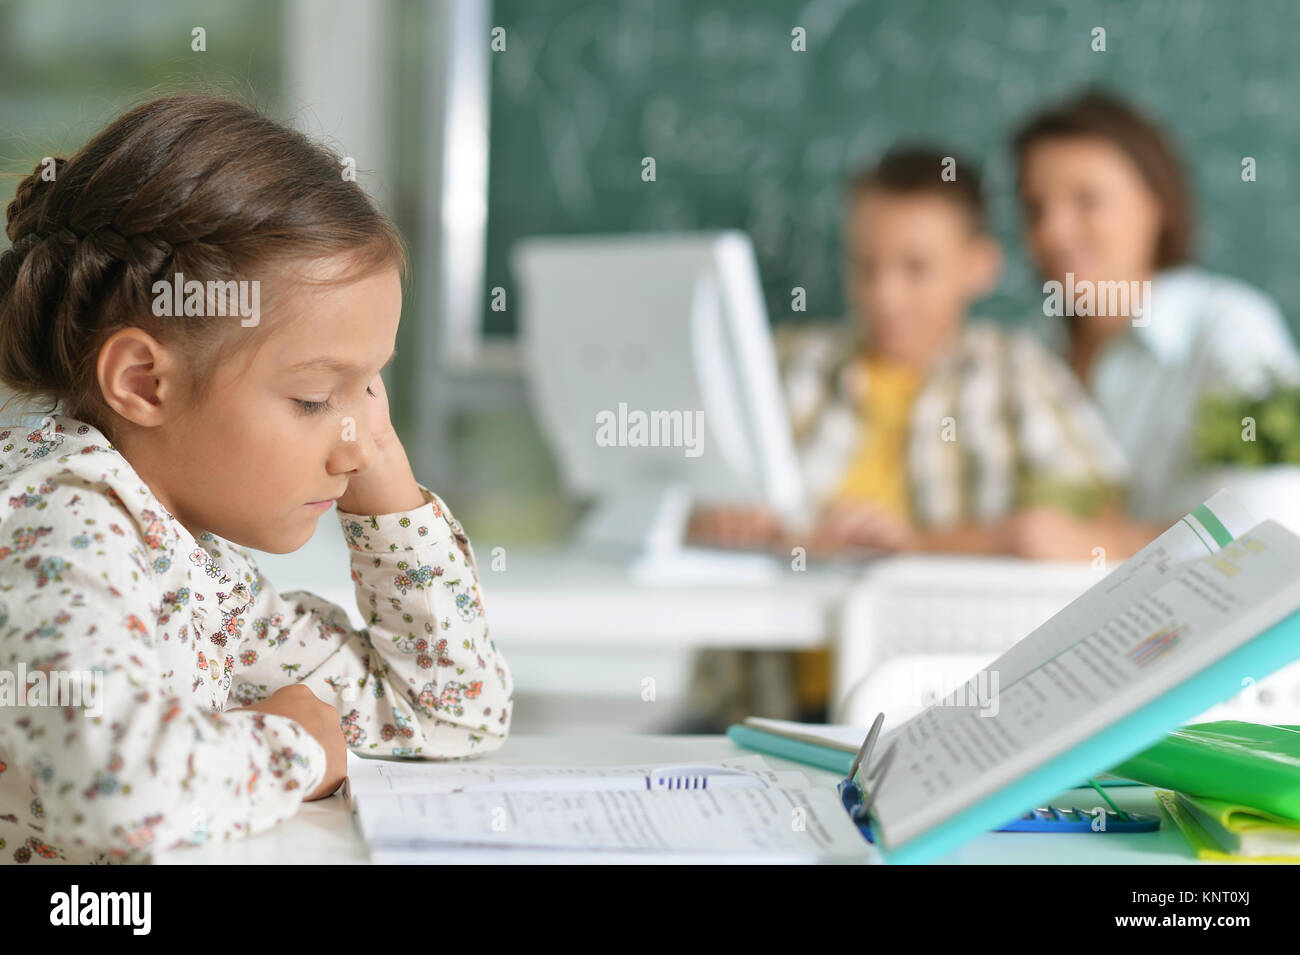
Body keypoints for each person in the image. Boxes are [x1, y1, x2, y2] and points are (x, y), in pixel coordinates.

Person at [0, 94, 513, 864]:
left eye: (371, 387)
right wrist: (294, 743)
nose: (356, 443)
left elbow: (449, 713)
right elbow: (117, 789)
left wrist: (388, 490)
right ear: (143, 380)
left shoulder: (198, 574)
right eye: (314, 397)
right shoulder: (59, 519)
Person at [685, 146, 1130, 727]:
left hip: (936, 716)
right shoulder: (783, 363)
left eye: (915, 269)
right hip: (760, 705)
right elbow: (666, 508)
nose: (884, 296)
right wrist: (721, 521)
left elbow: (1090, 531)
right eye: (865, 266)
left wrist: (913, 544)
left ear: (979, 265)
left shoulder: (1017, 375)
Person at [1010, 89, 1300, 557]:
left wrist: (1109, 543)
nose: (1053, 232)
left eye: (1086, 200)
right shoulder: (1025, 350)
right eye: (1035, 209)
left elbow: (1279, 518)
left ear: (1156, 204)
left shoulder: (1228, 326)